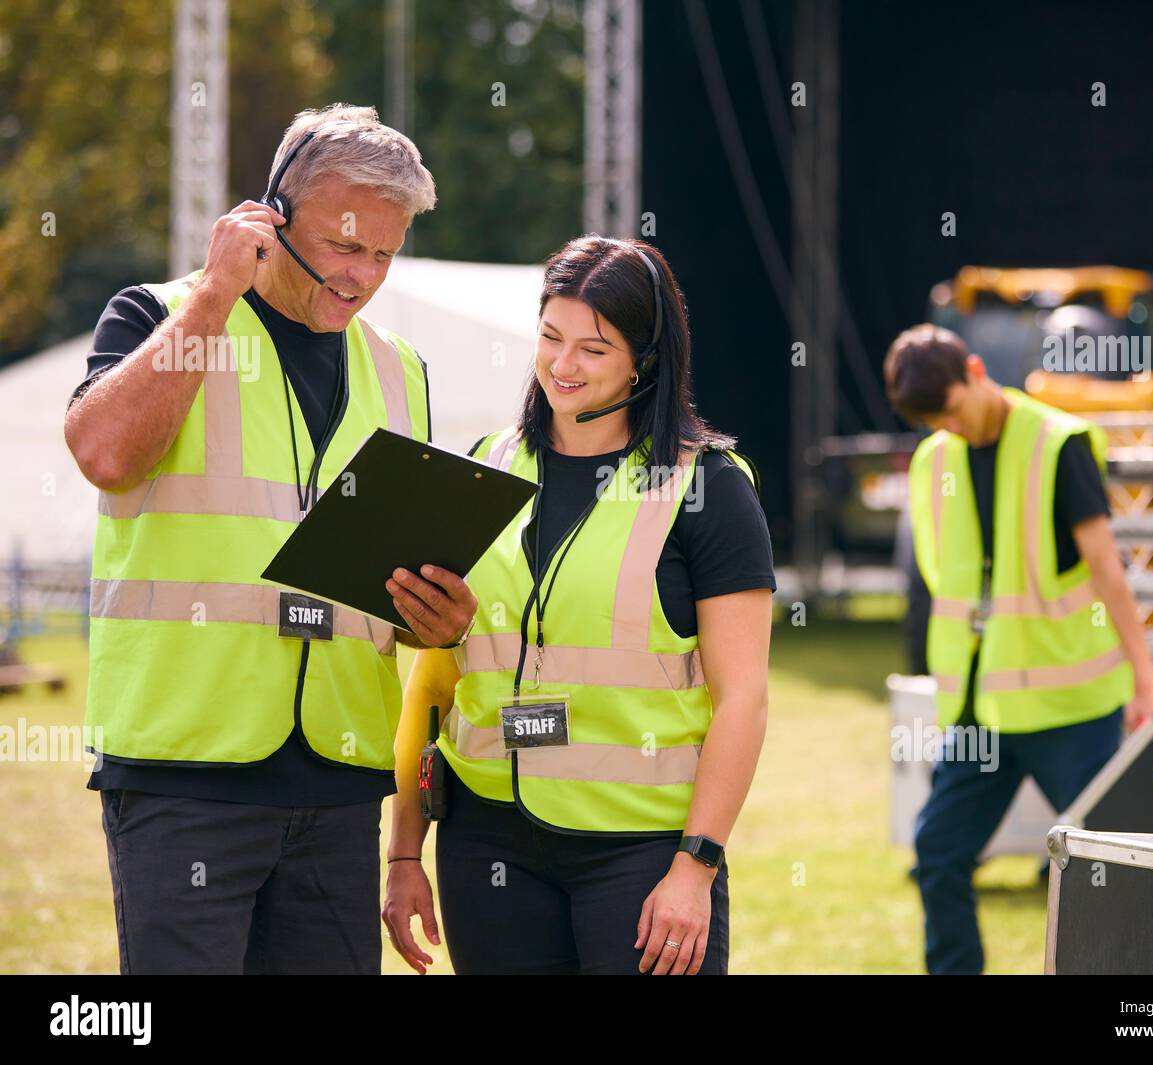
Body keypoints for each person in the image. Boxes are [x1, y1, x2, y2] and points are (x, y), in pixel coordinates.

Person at [64, 104, 476, 975]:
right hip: (186, 772)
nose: (362, 275)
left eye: (384, 253)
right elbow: (104, 453)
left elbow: (390, 581)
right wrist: (216, 295)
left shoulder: (400, 370)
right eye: (343, 244)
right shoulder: (159, 314)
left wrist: (433, 618)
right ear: (267, 217)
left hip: (336, 781)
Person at [382, 236, 775, 975]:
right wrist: (405, 849)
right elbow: (433, 682)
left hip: (641, 850)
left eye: (593, 349)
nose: (563, 366)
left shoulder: (710, 490)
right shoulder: (484, 467)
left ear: (645, 357)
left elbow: (744, 699)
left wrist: (695, 868)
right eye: (551, 337)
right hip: (488, 843)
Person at [884, 324, 1153, 975]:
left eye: (952, 409)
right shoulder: (935, 461)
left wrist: (1145, 678)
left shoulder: (1057, 443)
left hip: (1070, 703)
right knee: (938, 853)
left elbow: (1106, 569)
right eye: (935, 422)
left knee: (1108, 871)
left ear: (977, 370)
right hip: (984, 708)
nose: (951, 428)